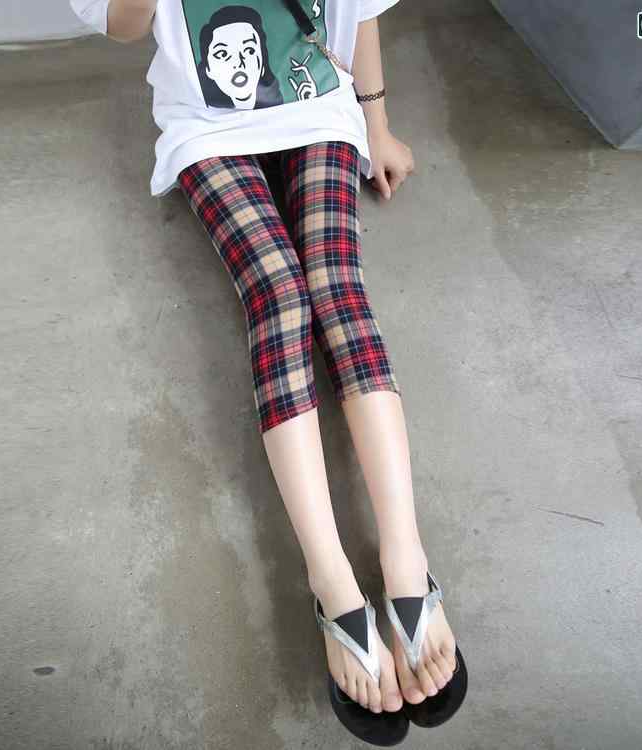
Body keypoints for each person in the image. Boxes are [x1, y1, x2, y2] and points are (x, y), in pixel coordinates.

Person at [68, 0, 466, 743]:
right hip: (207, 128)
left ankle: (406, 560)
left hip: (320, 108)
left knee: (337, 288)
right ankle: (331, 578)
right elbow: (123, 24)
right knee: (279, 295)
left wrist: (377, 124)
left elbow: (362, 11)